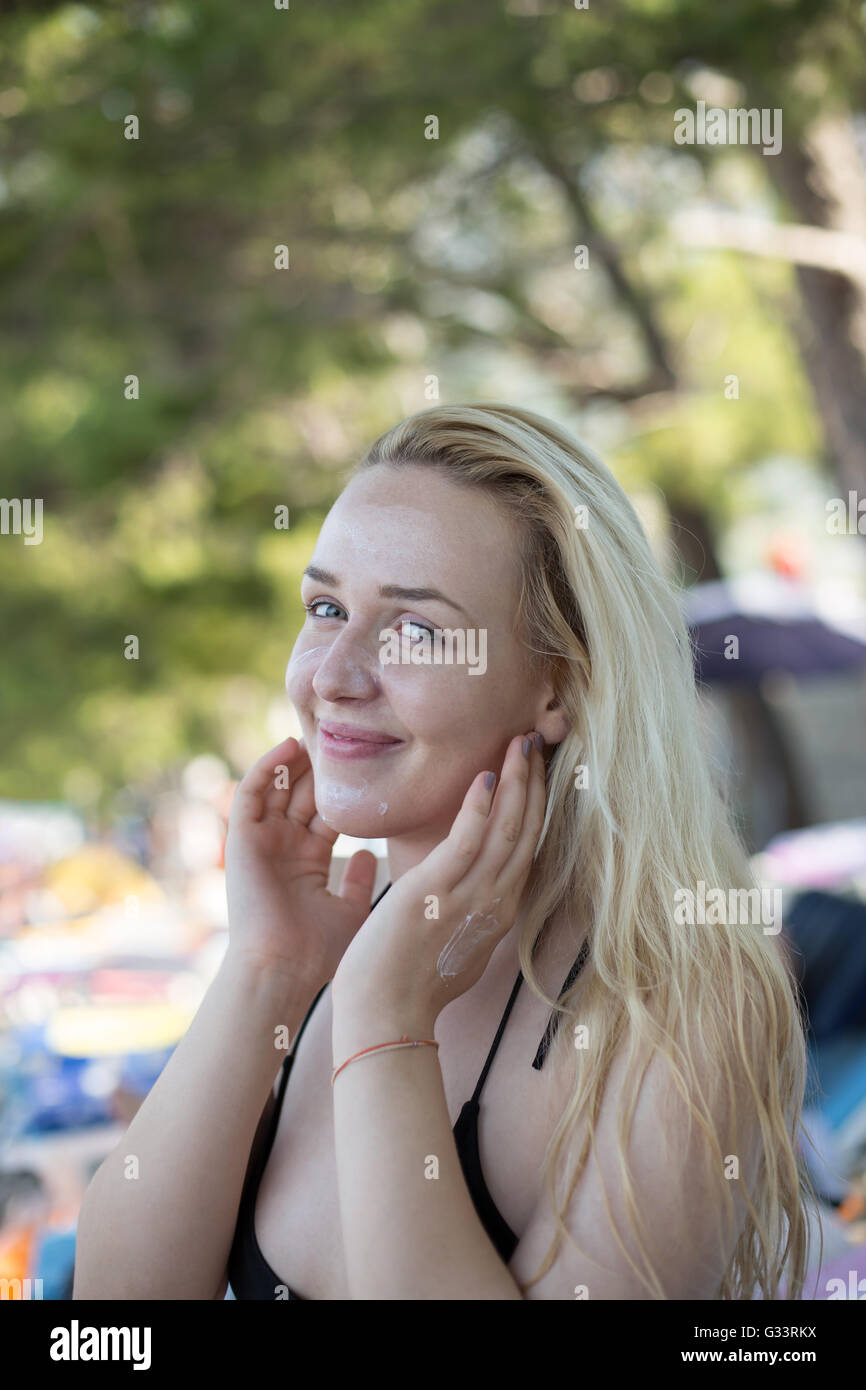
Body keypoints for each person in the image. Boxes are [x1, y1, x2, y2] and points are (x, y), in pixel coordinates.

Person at [73, 403, 815, 1300]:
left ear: (560, 686)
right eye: (326, 607)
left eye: (415, 630)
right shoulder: (313, 956)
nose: (333, 677)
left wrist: (389, 1023)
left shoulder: (678, 990)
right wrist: (270, 964)